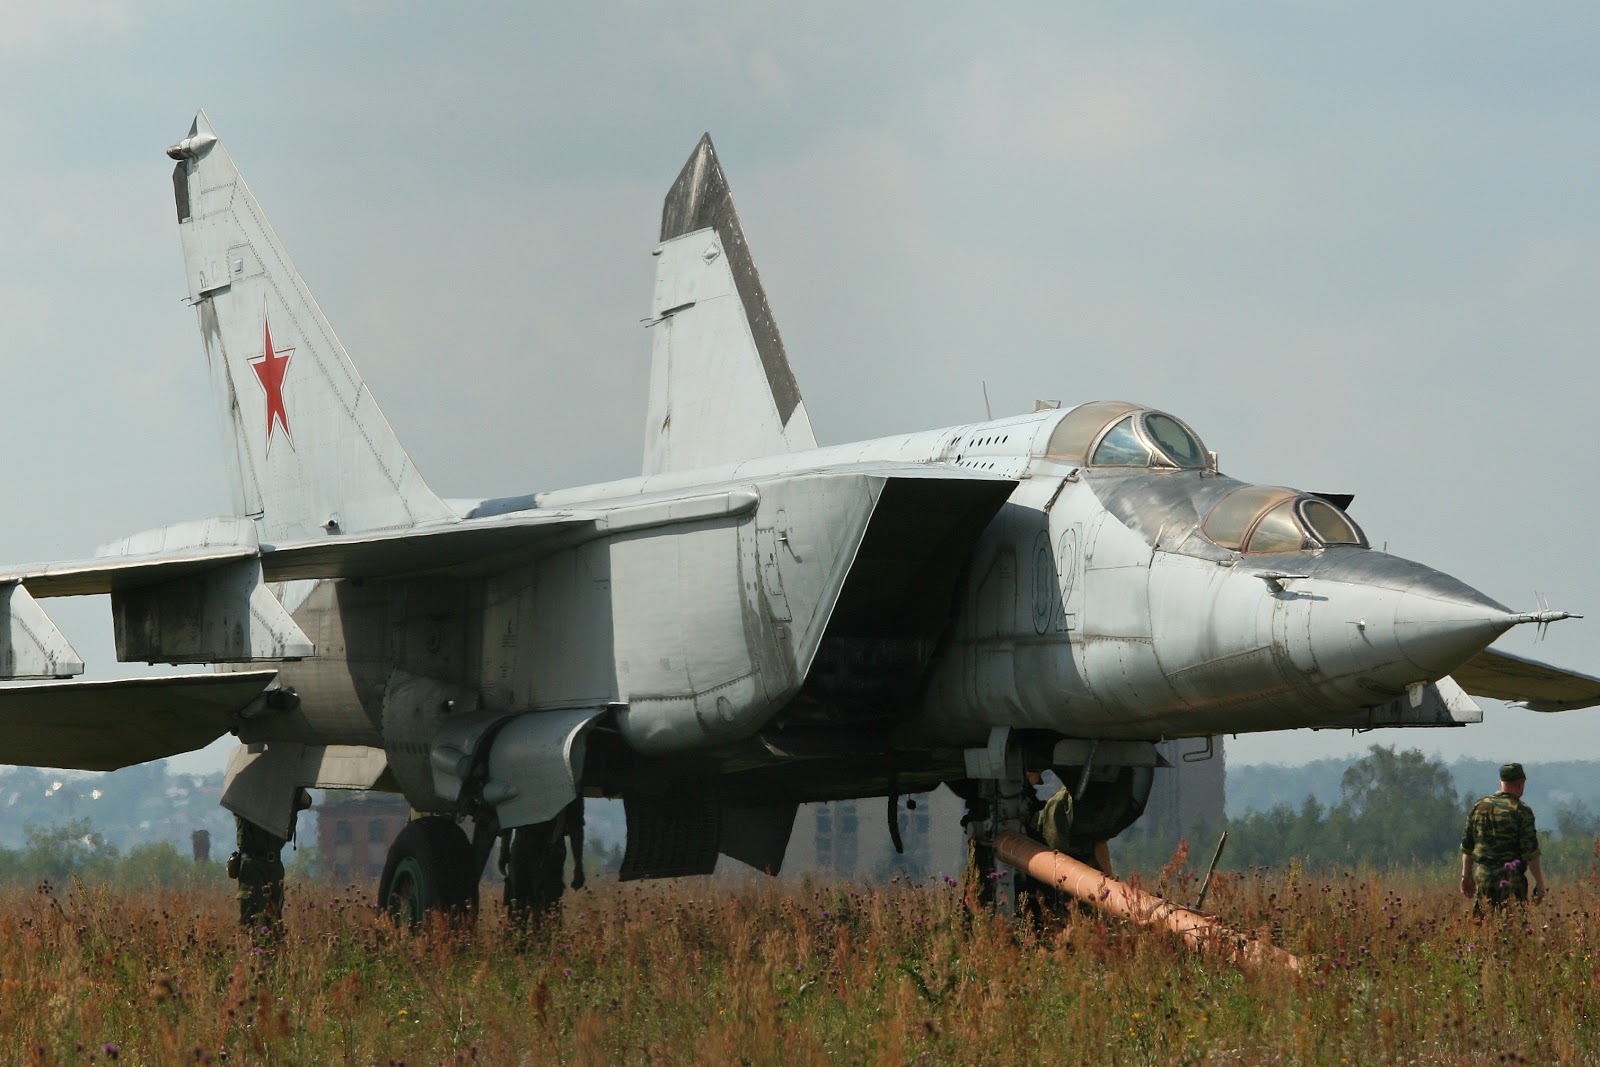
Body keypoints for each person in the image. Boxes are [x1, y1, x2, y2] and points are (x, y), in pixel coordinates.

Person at [1460, 763, 1544, 913]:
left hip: (1484, 878)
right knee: (1513, 928)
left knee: (1484, 927)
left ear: (1500, 783)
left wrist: (1466, 875)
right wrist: (1539, 882)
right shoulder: (1521, 811)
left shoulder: (1479, 807)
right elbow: (1530, 852)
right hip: (1511, 880)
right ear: (1521, 784)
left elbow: (1468, 847)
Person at [230, 788, 313, 932]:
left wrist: (295, 783)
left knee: (275, 921)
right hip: (252, 864)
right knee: (252, 920)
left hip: (274, 865)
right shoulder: (246, 794)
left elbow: (305, 800)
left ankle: (272, 950)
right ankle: (255, 951)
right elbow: (233, 796)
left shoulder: (281, 793)